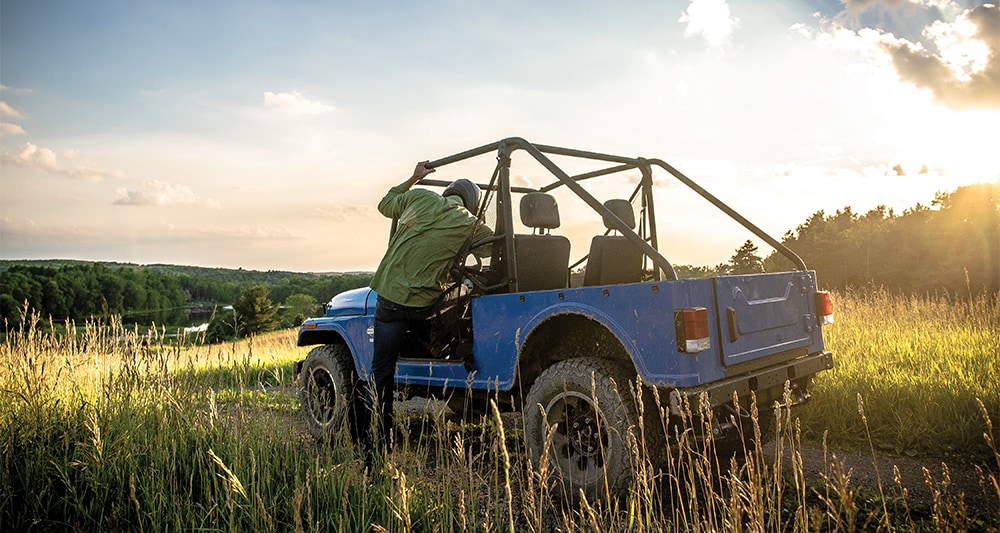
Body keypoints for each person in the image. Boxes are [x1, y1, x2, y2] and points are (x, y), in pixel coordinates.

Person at [360, 161, 492, 465]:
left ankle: (374, 452)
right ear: (472, 204)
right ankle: (459, 360)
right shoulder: (470, 224)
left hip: (388, 299)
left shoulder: (418, 196)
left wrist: (414, 178)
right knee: (456, 305)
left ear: (449, 192)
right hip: (422, 308)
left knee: (381, 372)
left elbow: (385, 204)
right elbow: (493, 251)